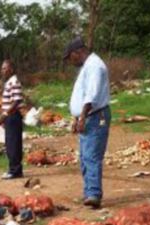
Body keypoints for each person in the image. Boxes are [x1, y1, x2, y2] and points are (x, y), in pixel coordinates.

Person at [64, 37, 111, 209]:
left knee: (92, 156)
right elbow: (82, 95)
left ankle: (93, 193)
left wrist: (82, 116)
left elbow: (91, 95)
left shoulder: (95, 66)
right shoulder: (88, 66)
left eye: (71, 57)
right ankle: (89, 191)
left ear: (78, 52)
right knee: (84, 157)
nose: (71, 61)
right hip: (87, 116)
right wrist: (76, 117)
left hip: (95, 116)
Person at [0, 59, 24, 179]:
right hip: (10, 116)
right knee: (11, 143)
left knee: (13, 144)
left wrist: (5, 113)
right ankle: (14, 169)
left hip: (13, 116)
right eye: (2, 68)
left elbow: (17, 100)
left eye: (5, 68)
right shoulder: (9, 82)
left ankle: (14, 171)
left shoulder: (14, 81)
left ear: (11, 69)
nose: (2, 71)